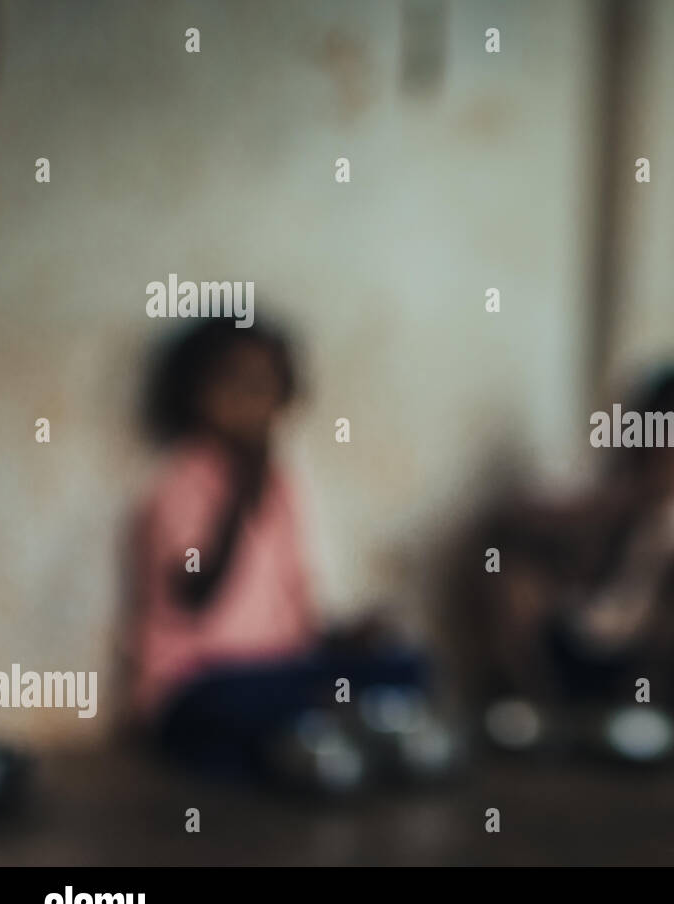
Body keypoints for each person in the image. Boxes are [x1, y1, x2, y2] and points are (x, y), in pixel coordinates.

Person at [127, 317, 448, 792]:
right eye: (234, 384)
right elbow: (194, 592)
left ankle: (316, 737)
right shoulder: (181, 483)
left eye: (265, 387)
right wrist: (239, 496)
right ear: (196, 394)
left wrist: (342, 636)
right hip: (199, 683)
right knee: (229, 707)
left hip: (282, 669)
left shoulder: (282, 485)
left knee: (410, 664)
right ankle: (321, 738)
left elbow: (292, 610)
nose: (251, 403)